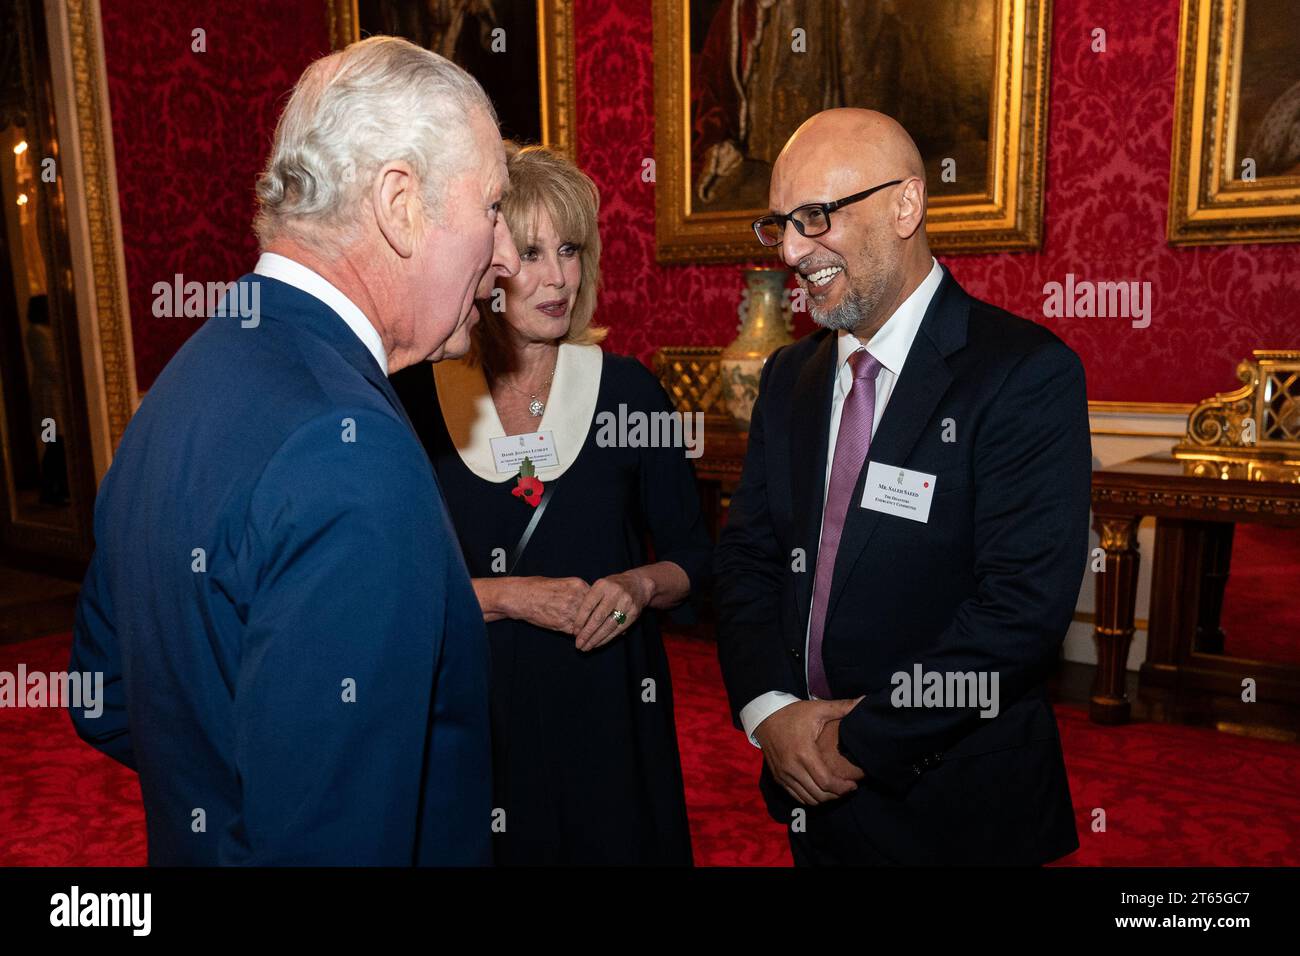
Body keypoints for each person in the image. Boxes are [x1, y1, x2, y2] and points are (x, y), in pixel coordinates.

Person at [67, 36, 520, 865]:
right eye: (492, 207)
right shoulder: (351, 457)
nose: (505, 255)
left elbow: (104, 700)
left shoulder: (176, 390)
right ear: (400, 203)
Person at [714, 108, 1089, 865]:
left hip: (959, 804)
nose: (791, 249)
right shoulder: (790, 377)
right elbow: (749, 561)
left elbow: (1019, 612)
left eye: (815, 217)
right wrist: (773, 714)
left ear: (905, 205)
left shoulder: (1022, 372)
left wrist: (856, 740)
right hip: (809, 796)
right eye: (779, 224)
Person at [392, 142, 710, 865]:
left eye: (570, 250)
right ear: (483, 264)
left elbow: (695, 558)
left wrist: (639, 582)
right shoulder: (412, 400)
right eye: (530, 253)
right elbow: (387, 591)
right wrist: (507, 596)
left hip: (610, 710)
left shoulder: (629, 391)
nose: (558, 277)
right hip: (474, 711)